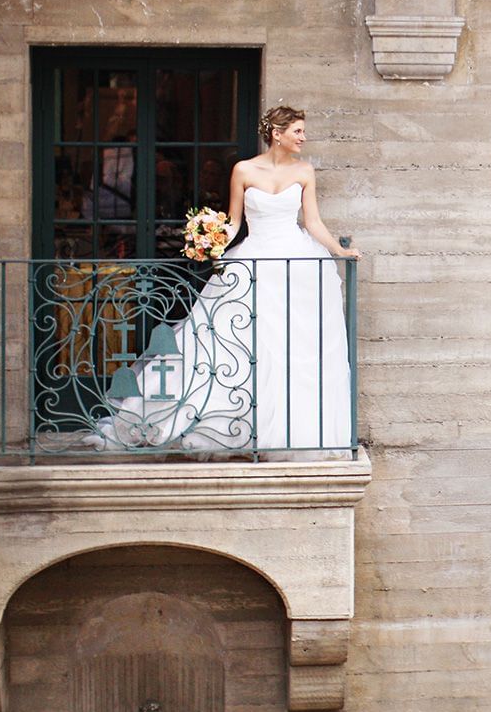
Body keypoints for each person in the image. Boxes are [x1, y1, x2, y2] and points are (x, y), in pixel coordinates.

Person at [89, 105, 359, 453]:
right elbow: (234, 221)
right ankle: (212, 421)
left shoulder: (305, 171)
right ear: (277, 134)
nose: (303, 137)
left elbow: (313, 222)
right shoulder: (243, 170)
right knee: (224, 341)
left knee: (293, 349)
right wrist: (210, 240)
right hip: (253, 260)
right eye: (298, 131)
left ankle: (291, 431)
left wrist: (339, 249)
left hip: (297, 266)